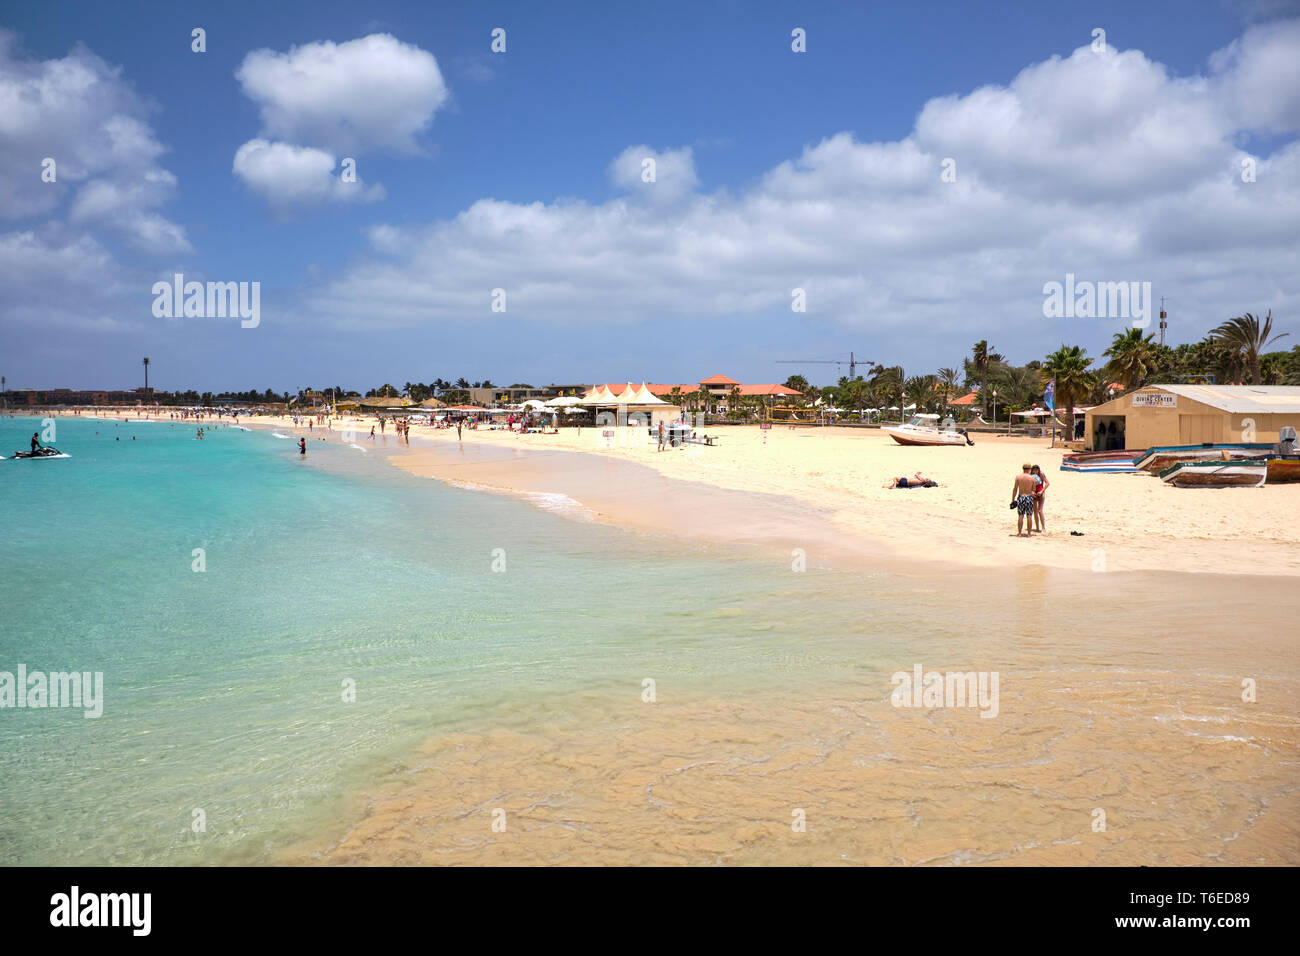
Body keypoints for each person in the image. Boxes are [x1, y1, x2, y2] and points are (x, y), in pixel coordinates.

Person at [1011, 463, 1037, 537]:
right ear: (1029, 469)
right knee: (1029, 516)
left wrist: (1013, 499)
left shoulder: (1018, 477)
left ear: (1023, 469)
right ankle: (1029, 534)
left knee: (1021, 515)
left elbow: (1015, 489)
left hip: (1021, 497)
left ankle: (1019, 533)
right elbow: (1033, 490)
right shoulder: (1032, 478)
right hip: (1029, 497)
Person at [1030, 464, 1049, 533]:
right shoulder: (1030, 475)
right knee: (1035, 511)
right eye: (1034, 470)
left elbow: (1047, 483)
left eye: (1036, 470)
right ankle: (1037, 527)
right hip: (1034, 493)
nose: (1035, 472)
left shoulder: (1041, 474)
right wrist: (1031, 492)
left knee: (1040, 510)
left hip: (1041, 491)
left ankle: (1043, 527)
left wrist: (1042, 491)